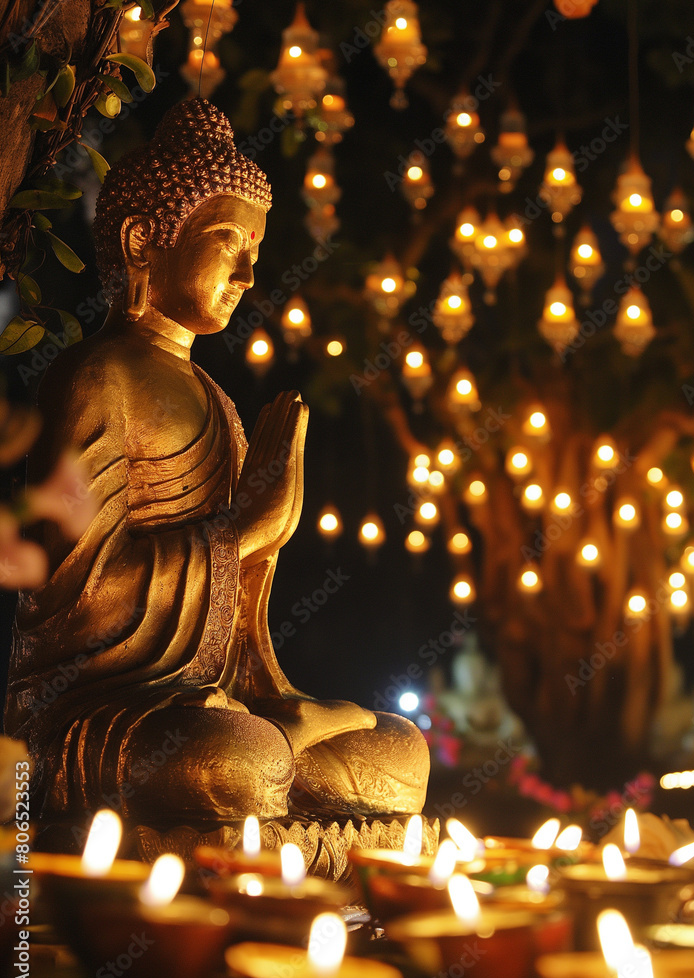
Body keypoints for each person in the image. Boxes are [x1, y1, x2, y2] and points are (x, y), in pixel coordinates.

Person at [5, 98, 429, 832]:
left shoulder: (218, 402)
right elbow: (74, 596)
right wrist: (246, 531)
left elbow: (236, 631)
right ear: (143, 241)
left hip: (216, 703)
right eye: (228, 240)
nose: (248, 273)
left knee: (398, 752)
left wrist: (266, 672)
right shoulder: (96, 376)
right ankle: (267, 773)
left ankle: (276, 758)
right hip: (104, 711)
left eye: (256, 248)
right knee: (235, 760)